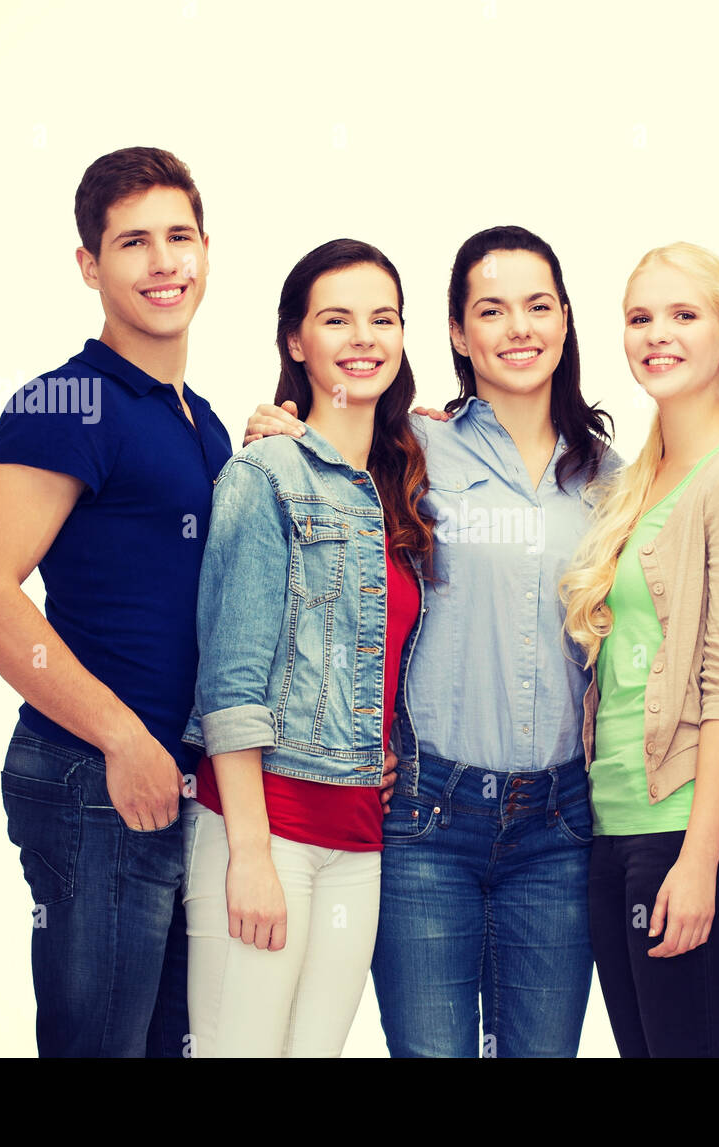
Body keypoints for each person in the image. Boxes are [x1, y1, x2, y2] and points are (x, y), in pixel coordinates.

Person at [244, 225, 621, 1057]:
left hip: (560, 828)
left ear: (565, 318)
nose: (519, 328)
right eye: (492, 309)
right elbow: (321, 549)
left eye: (538, 306)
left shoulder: (611, 479)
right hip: (426, 817)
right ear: (457, 332)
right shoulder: (408, 448)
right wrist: (278, 428)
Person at [0, 147, 232, 1057]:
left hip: (178, 782)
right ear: (89, 266)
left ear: (206, 250)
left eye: (178, 237)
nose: (163, 262)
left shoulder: (201, 417)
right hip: (95, 779)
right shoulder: (69, 400)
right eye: (133, 242)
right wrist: (120, 737)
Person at [180, 239, 432, 1057]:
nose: (364, 338)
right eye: (337, 319)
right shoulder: (265, 473)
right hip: (268, 830)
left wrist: (387, 747)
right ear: (297, 340)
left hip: (359, 837)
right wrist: (249, 856)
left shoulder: (396, 486)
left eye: (382, 318)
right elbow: (231, 684)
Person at [561, 242, 719, 1057]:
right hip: (614, 824)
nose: (657, 334)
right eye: (640, 317)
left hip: (689, 829)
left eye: (683, 315)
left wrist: (700, 855)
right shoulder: (632, 482)